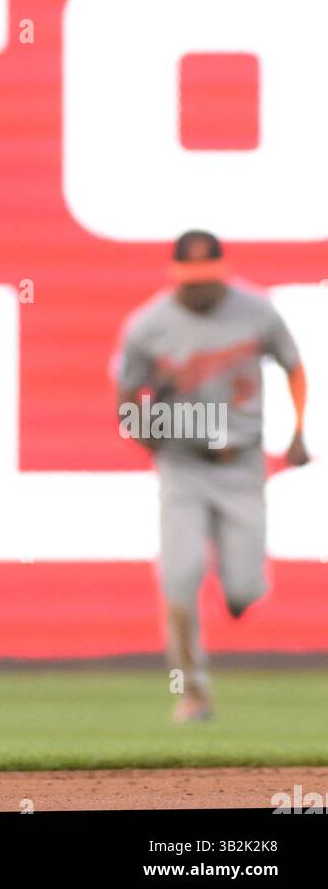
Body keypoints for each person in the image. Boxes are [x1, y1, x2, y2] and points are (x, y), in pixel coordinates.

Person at [113, 230, 308, 723]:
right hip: (182, 463)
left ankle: (239, 593)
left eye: (207, 280)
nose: (199, 291)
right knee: (179, 580)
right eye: (190, 281)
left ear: (222, 273)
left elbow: (293, 366)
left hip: (240, 462)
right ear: (175, 276)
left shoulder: (257, 311)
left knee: (244, 589)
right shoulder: (148, 325)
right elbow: (125, 394)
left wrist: (300, 430)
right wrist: (147, 434)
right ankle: (193, 691)